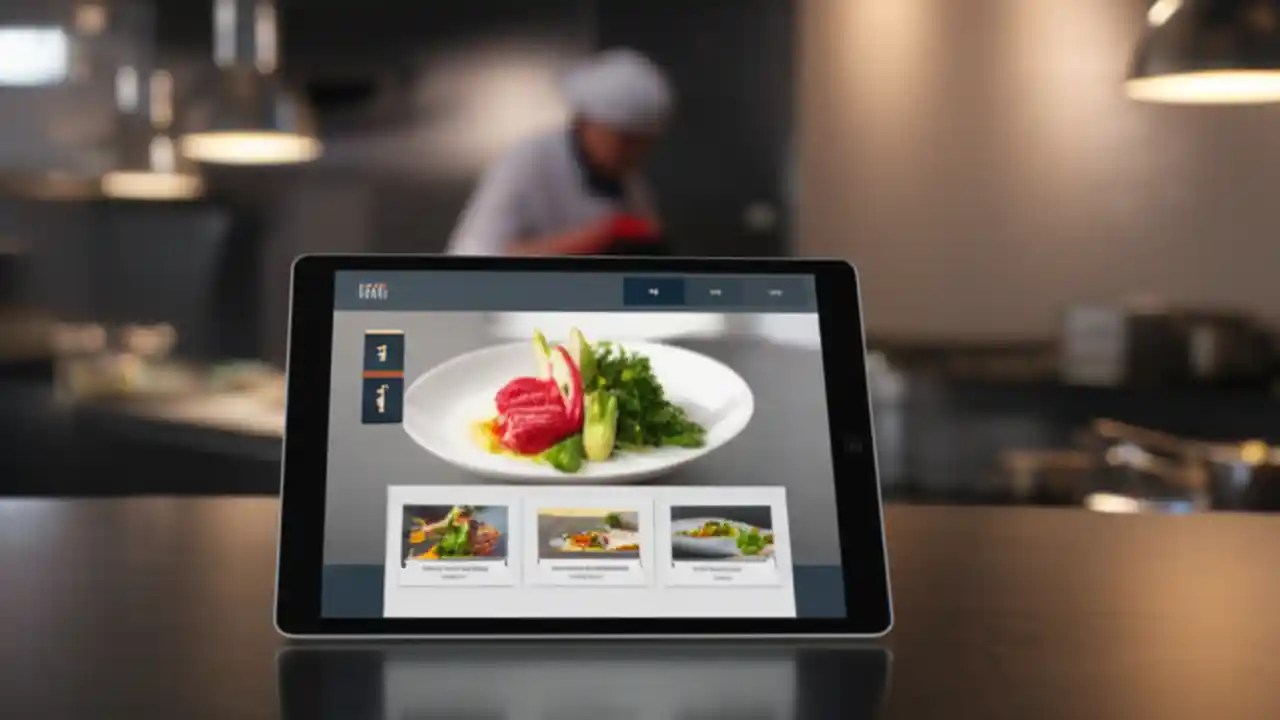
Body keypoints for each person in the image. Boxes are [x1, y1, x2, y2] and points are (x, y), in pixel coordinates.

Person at [446, 49, 672, 256]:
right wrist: (593, 238)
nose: (633, 155)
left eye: (643, 145)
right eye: (623, 140)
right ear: (585, 122)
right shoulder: (530, 161)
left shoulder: (628, 181)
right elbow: (474, 253)